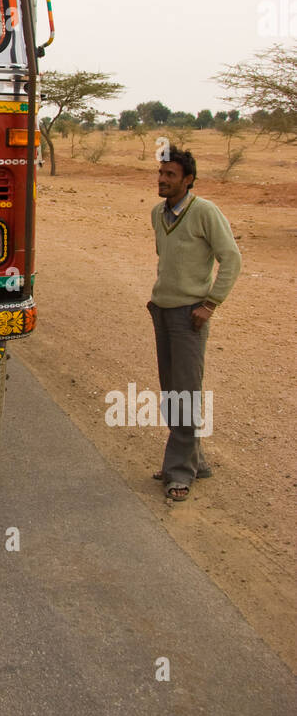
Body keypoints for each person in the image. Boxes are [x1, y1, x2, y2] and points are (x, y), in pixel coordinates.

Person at [147, 149, 241, 502]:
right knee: (173, 389)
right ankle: (194, 460)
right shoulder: (158, 213)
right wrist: (158, 299)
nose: (162, 179)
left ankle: (178, 473)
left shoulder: (204, 212)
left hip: (190, 316)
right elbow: (166, 259)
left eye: (170, 175)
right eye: (160, 173)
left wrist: (210, 303)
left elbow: (231, 258)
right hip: (163, 311)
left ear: (188, 180)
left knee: (185, 392)